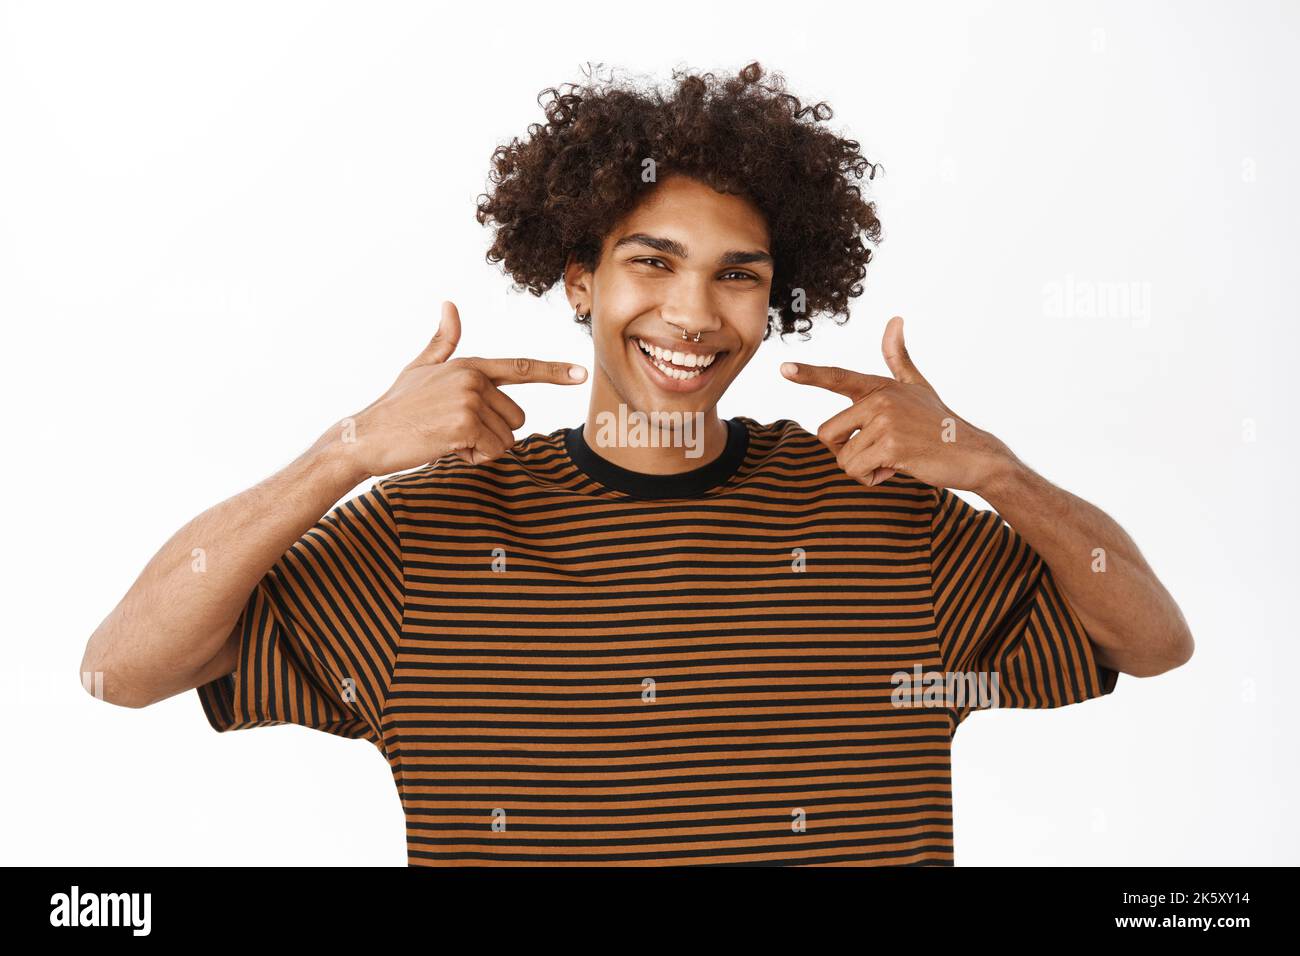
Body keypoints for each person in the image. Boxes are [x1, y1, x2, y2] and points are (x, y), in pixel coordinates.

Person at [81, 61, 1192, 866]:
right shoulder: (428, 538)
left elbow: (1151, 640)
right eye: (651, 263)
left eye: (738, 275)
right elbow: (123, 667)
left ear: (775, 296)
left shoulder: (886, 518)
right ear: (578, 279)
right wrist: (345, 452)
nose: (692, 314)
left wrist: (988, 466)